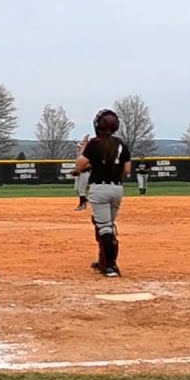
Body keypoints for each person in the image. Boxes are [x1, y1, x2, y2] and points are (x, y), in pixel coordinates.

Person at [75, 108, 132, 277]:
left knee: (104, 227)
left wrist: (83, 149)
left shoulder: (94, 143)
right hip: (117, 189)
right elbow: (127, 170)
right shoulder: (121, 144)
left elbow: (79, 166)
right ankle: (104, 261)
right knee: (107, 225)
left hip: (99, 188)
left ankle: (110, 266)